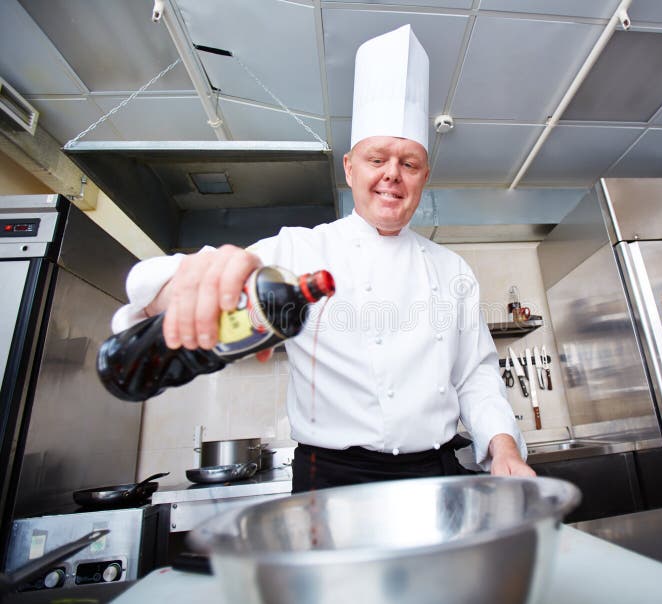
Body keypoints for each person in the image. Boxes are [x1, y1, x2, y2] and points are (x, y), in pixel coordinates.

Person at [111, 25, 534, 493]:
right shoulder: (297, 250)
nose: (393, 174)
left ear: (423, 176)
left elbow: (475, 375)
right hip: (332, 478)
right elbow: (176, 284)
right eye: (378, 159)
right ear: (350, 168)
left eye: (409, 163)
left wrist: (503, 446)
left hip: (436, 473)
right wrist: (181, 286)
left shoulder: (453, 270)